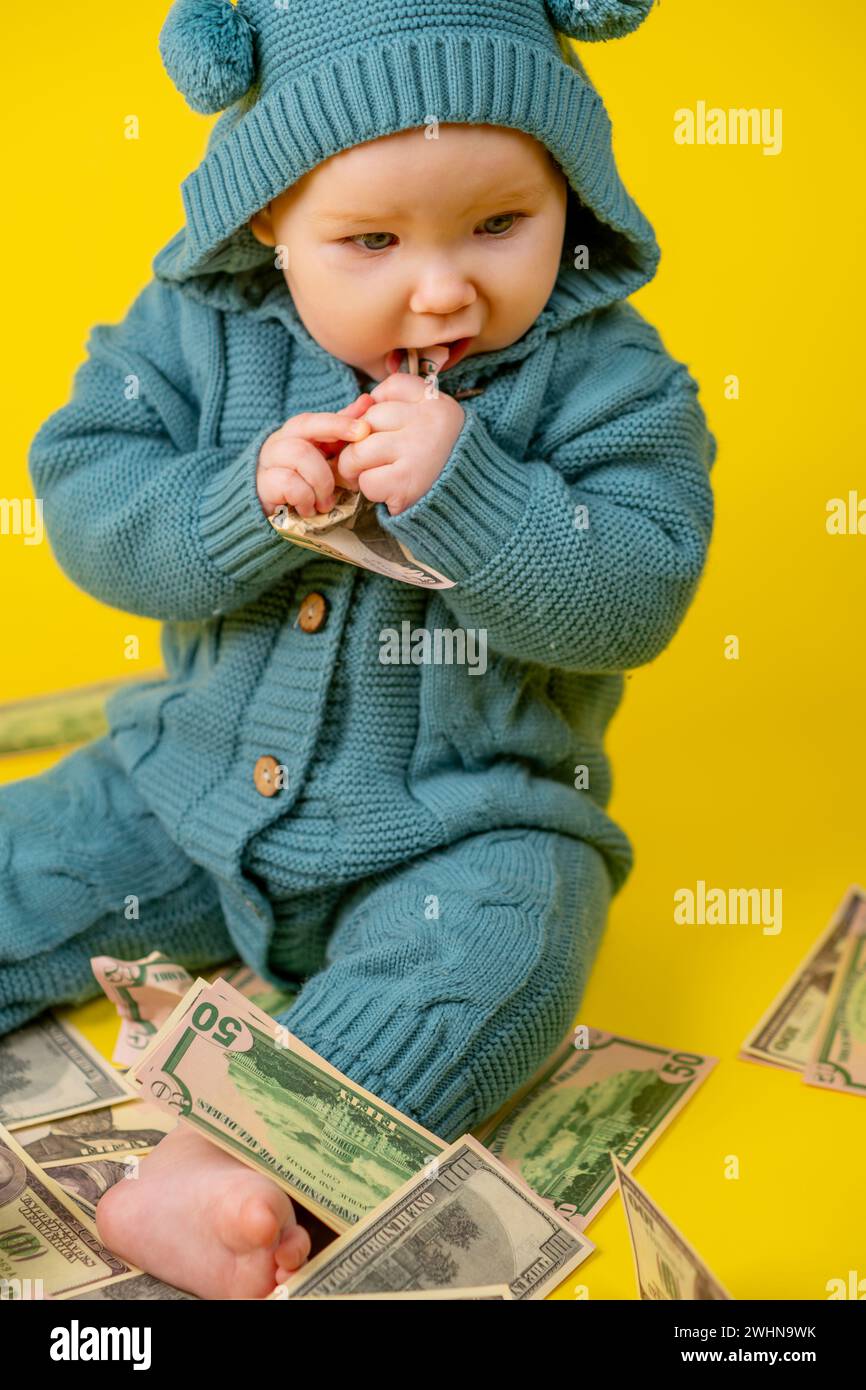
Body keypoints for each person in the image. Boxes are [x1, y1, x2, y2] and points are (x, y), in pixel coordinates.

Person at [2, 0, 717, 1298]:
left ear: (569, 189)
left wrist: (477, 494)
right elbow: (91, 503)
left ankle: (236, 1159)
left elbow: (635, 595)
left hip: (466, 824)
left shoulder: (614, 381)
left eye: (500, 222)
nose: (442, 285)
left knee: (514, 946)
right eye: (370, 239)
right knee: (34, 848)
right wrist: (235, 499)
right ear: (270, 218)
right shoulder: (188, 336)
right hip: (187, 780)